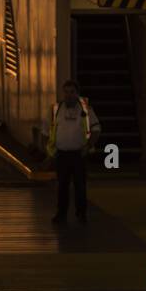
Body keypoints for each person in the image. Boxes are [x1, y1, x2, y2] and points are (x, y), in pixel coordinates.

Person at [47, 79, 101, 224]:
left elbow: (96, 130)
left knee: (80, 186)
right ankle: (61, 214)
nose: (68, 95)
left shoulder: (85, 110)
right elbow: (50, 130)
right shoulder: (56, 109)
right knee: (62, 186)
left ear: (77, 93)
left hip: (78, 154)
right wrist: (50, 153)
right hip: (62, 154)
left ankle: (81, 213)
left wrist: (88, 146)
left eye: (72, 92)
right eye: (66, 92)